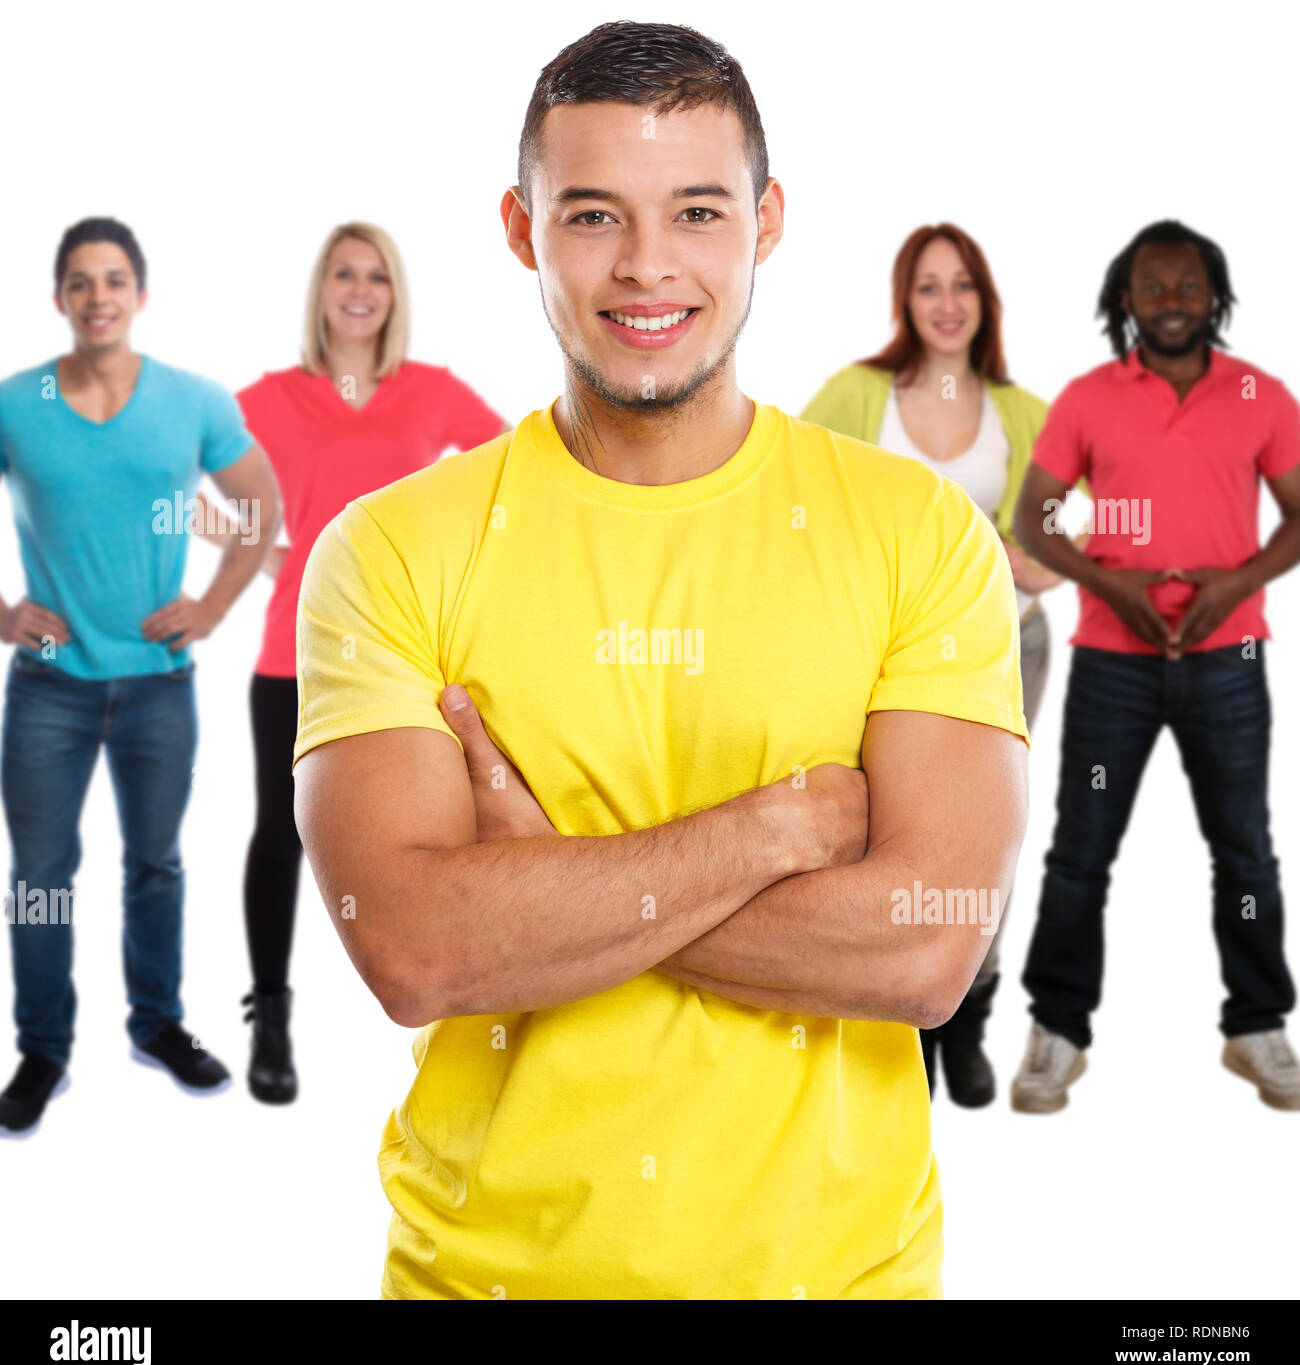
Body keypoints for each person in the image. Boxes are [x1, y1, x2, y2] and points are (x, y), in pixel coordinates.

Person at [293, 20, 1029, 1299]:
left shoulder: (918, 536)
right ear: (522, 228)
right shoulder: (391, 550)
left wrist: (538, 886)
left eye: (696, 210)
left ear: (768, 219)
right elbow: (411, 949)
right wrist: (769, 832)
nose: (648, 267)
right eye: (591, 217)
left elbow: (927, 951)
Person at [196, 223, 506, 1104]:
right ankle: (271, 1019)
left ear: (393, 293)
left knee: (449, 839)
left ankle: (477, 1007)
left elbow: (513, 473)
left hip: (406, 662)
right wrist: (261, 550)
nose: (360, 289)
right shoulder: (272, 399)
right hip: (291, 657)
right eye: (344, 273)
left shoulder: (431, 392)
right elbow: (181, 474)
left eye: (376, 275)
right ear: (322, 290)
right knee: (280, 835)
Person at [1010, 219, 1300, 1113]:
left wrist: (1238, 581)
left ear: (1213, 295)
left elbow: (1298, 515)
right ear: (1123, 300)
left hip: (1228, 660)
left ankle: (1257, 1027)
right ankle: (1057, 1030)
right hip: (1112, 665)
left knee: (1245, 854)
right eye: (1152, 288)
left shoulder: (1262, 395)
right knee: (1078, 855)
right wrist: (1111, 583)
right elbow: (1035, 518)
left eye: (1187, 287)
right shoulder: (1090, 398)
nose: (1171, 303)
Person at [0, 217, 280, 1135]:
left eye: (114, 280)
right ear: (60, 300)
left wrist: (214, 606)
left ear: (140, 296)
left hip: (160, 684)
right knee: (40, 872)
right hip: (48, 688)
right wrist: (3, 616)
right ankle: (42, 1049)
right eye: (80, 283)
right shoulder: (17, 403)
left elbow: (259, 506)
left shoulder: (191, 401)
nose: (98, 297)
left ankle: (156, 1024)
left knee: (155, 865)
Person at [801, 223, 1061, 1107]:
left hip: (1005, 651)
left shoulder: (1018, 412)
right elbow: (788, 504)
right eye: (928, 287)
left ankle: (971, 1015)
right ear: (905, 303)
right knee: (890, 832)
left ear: (984, 302)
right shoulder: (858, 397)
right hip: (882, 660)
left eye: (962, 287)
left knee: (988, 840)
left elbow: (1078, 527)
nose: (946, 304)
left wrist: (1041, 562)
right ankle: (902, 1013)